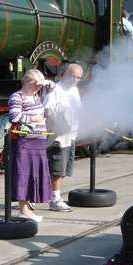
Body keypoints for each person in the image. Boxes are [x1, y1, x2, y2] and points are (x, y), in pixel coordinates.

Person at [8, 69, 54, 222]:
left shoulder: (37, 95)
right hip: (25, 142)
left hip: (39, 141)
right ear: (27, 82)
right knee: (24, 175)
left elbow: (53, 87)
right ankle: (24, 209)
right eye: (35, 83)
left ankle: (28, 207)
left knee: (35, 174)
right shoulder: (17, 97)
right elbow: (14, 115)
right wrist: (33, 118)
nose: (39, 87)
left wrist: (45, 82)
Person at [44, 63, 83, 212]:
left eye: (78, 77)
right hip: (57, 136)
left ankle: (53, 195)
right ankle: (55, 200)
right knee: (56, 169)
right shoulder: (55, 90)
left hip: (70, 135)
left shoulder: (74, 90)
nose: (75, 80)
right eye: (72, 76)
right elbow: (47, 109)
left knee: (63, 169)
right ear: (64, 74)